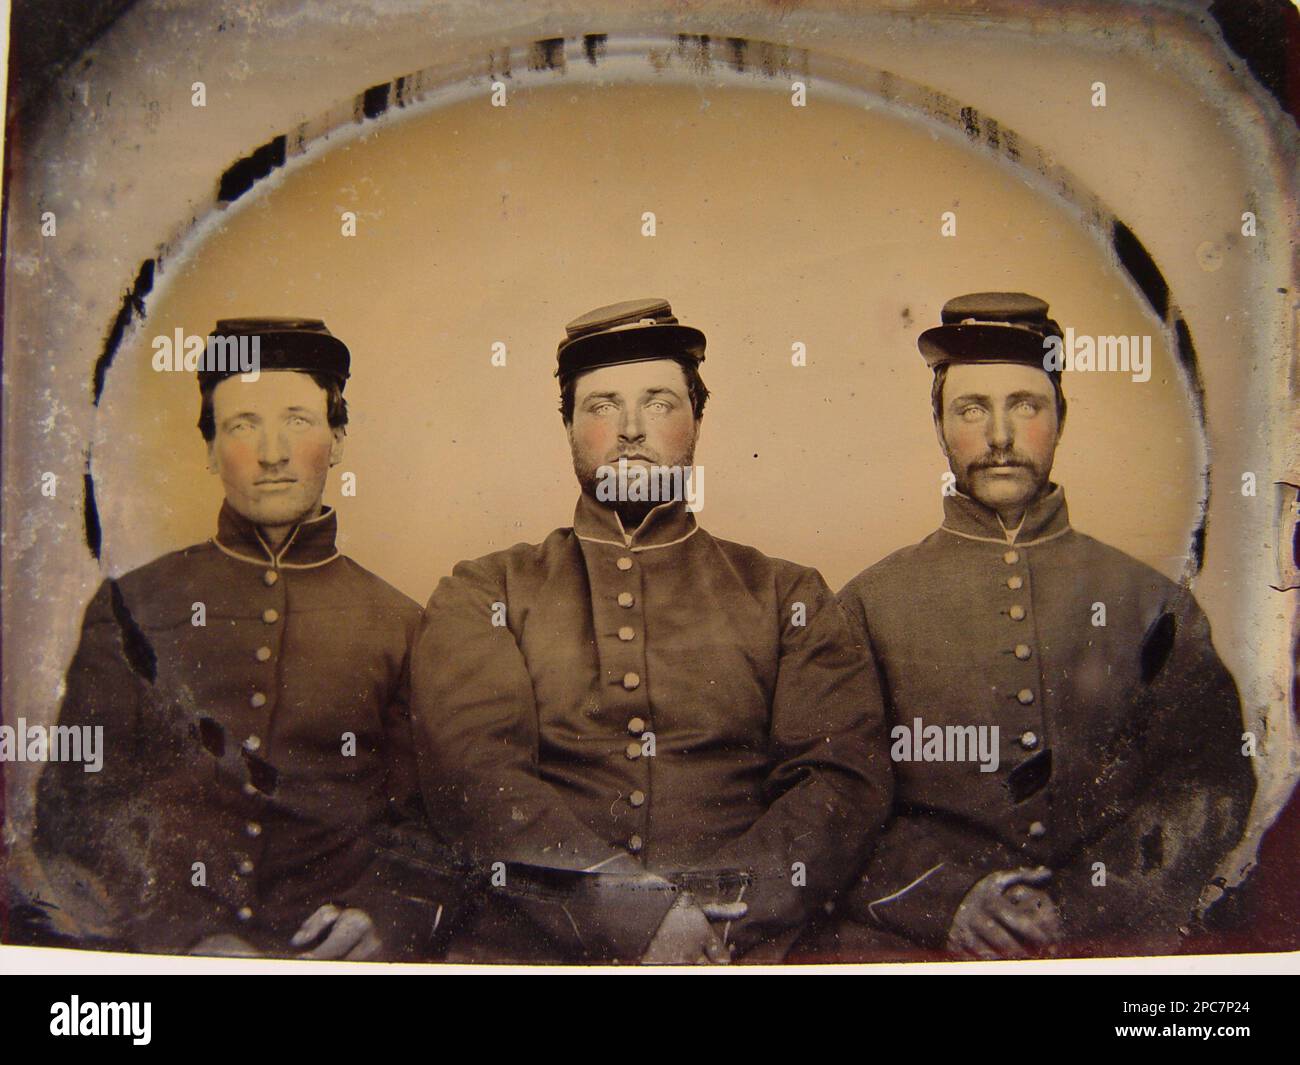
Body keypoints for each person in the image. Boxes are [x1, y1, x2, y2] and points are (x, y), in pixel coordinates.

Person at [411, 298, 891, 963]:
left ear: (697, 419)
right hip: (531, 950)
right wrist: (638, 916)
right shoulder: (485, 590)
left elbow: (838, 783)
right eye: (602, 405)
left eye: (660, 402)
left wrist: (711, 917)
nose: (630, 429)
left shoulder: (787, 593)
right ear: (569, 426)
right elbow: (478, 778)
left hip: (743, 948)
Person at [825, 292, 1255, 960]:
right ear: (939, 424)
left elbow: (1210, 783)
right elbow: (830, 795)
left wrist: (1083, 905)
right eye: (972, 408)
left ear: (1060, 417)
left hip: (1107, 947)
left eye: (1025, 404)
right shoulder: (866, 606)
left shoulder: (1153, 605)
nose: (999, 436)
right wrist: (947, 899)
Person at [33, 318, 452, 960]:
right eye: (241, 425)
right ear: (208, 449)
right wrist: (187, 934)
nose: (273, 451)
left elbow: (428, 823)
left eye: (299, 420)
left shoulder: (400, 623)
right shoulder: (132, 605)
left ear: (338, 438)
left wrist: (384, 913)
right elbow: (76, 810)